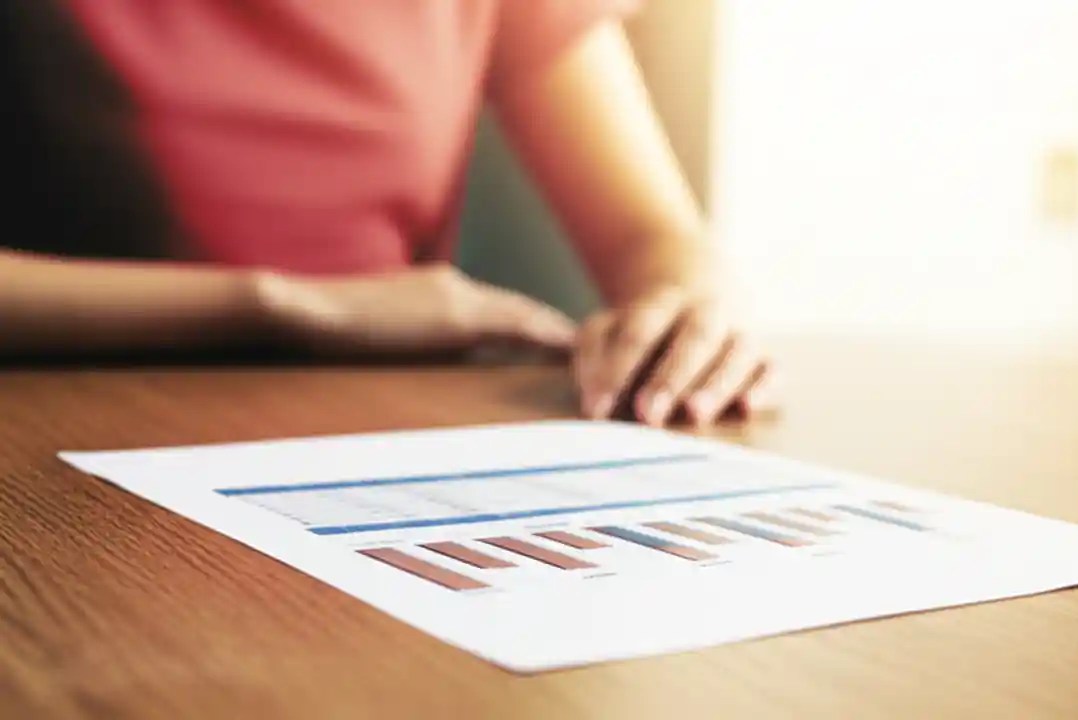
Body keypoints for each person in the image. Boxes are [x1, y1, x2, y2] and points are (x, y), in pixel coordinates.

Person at [0, 0, 771, 427]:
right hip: (65, 440)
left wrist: (688, 308)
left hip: (386, 438)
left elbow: (652, 235)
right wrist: (283, 306)